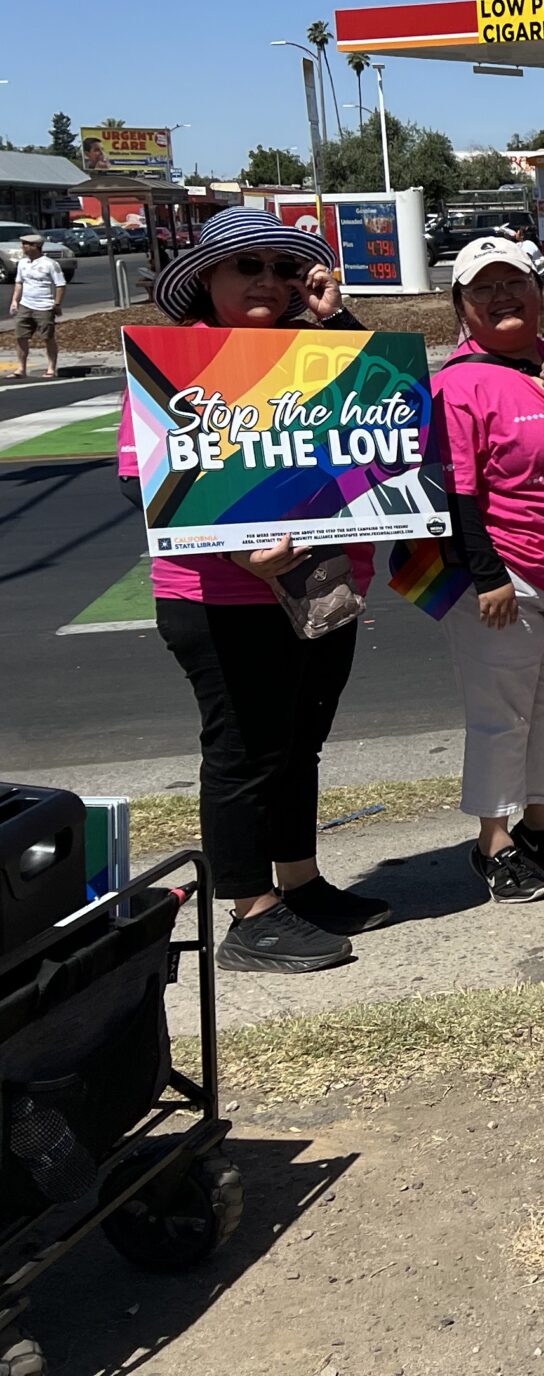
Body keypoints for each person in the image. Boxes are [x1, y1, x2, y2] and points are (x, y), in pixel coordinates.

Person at [117, 207, 392, 973]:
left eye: (282, 268)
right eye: (247, 267)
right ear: (206, 278)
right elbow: (143, 482)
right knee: (243, 750)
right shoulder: (177, 358)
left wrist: (340, 320)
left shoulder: (318, 348)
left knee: (299, 742)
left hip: (324, 587)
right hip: (219, 597)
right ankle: (249, 910)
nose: (267, 281)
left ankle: (298, 882)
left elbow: (392, 407)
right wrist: (239, 549)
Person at [429, 236, 544, 905]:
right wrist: (486, 576)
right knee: (501, 717)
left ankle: (543, 829)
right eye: (485, 288)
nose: (503, 298)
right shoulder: (458, 384)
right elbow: (458, 492)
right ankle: (493, 843)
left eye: (516, 284)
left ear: (540, 294)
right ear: (462, 305)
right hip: (510, 574)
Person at [10, 231, 65, 379]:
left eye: (26, 244)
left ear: (36, 246)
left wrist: (57, 303)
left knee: (47, 337)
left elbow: (60, 284)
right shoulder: (23, 263)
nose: (23, 247)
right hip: (25, 305)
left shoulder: (50, 264)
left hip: (45, 306)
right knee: (20, 336)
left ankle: (51, 368)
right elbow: (19, 283)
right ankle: (21, 368)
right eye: (23, 244)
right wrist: (15, 301)